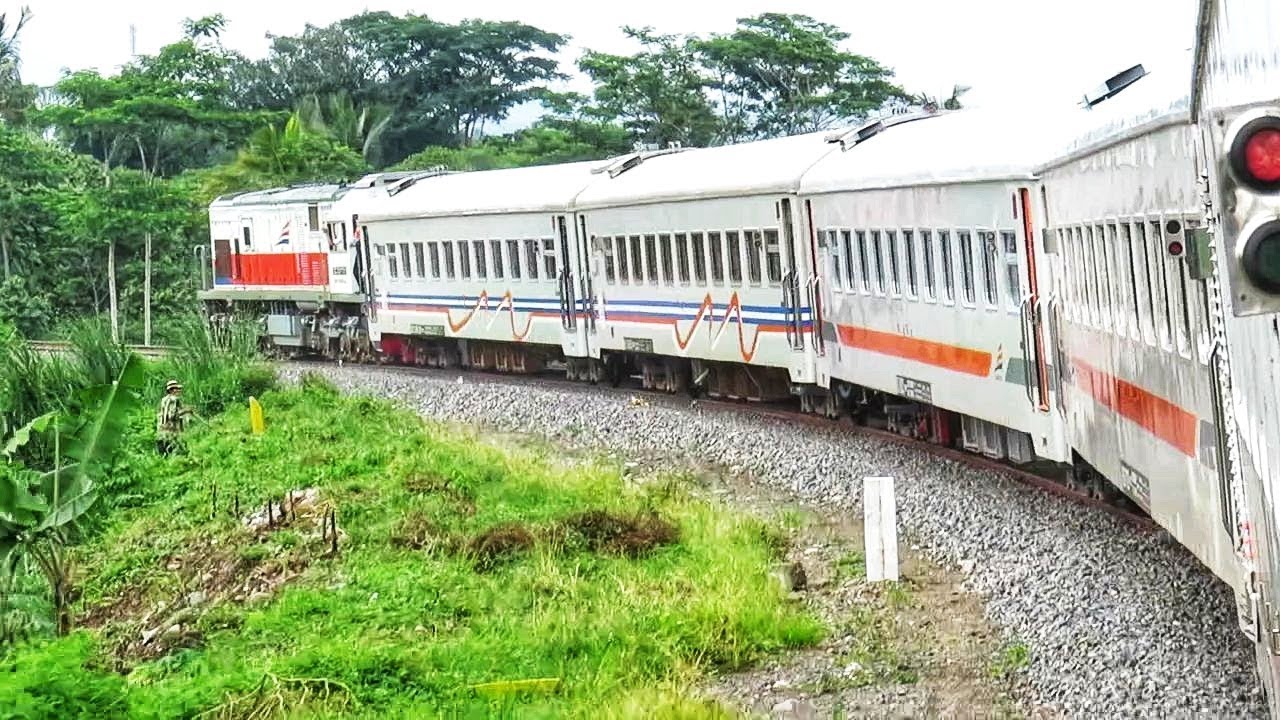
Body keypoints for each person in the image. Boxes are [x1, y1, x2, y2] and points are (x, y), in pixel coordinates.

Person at [156, 379, 193, 456]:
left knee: (163, 457)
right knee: (178, 453)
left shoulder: (164, 400)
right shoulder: (174, 400)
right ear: (173, 390)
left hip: (161, 432)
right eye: (177, 389)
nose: (179, 391)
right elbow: (172, 416)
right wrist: (186, 411)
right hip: (170, 432)